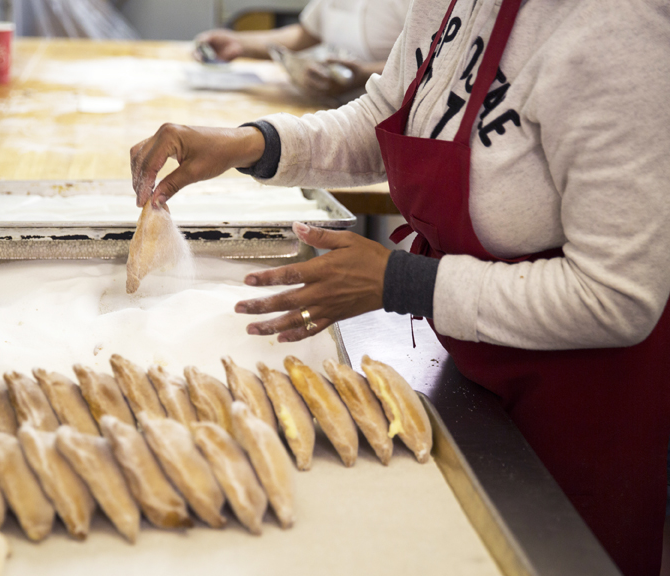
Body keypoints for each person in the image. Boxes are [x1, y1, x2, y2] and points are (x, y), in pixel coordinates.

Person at [133, 0, 670, 574]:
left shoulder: (618, 29)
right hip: (471, 360)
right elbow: (387, 115)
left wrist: (403, 281)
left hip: (581, 400)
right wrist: (251, 142)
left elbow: (616, 295)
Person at [194, 0, 410, 99]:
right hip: (337, 110)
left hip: (390, 121)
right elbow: (307, 33)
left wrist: (363, 75)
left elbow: (425, 64)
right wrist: (238, 43)